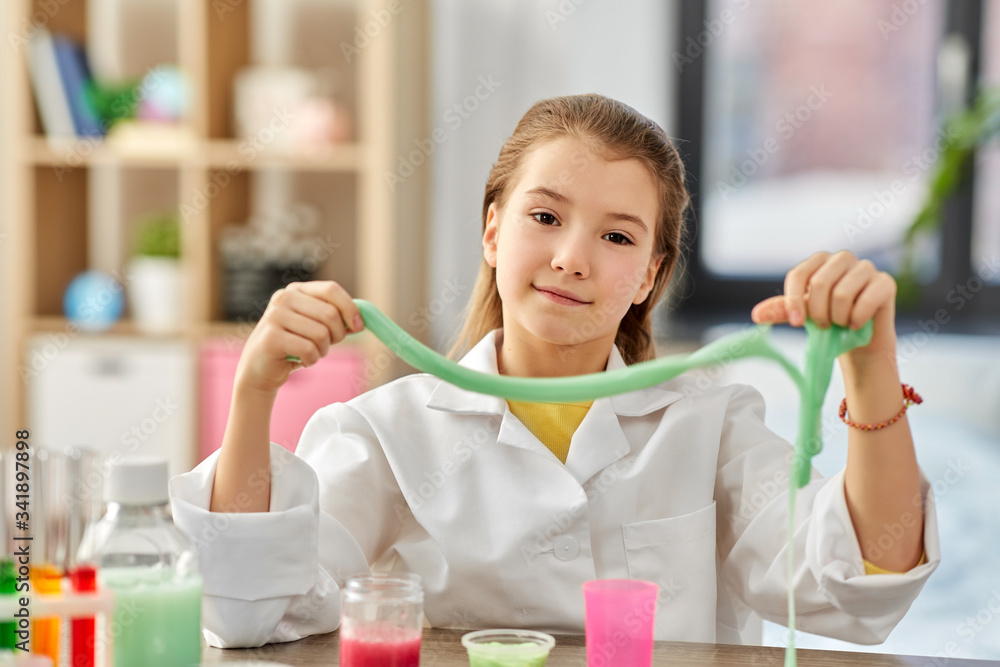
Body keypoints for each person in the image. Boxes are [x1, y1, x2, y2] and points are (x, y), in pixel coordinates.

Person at [170, 94, 938, 648]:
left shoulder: (711, 420)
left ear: (649, 274)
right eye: (545, 217)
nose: (572, 257)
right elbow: (251, 612)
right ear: (493, 231)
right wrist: (253, 390)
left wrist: (872, 369)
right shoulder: (384, 430)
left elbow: (856, 592)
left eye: (616, 236)